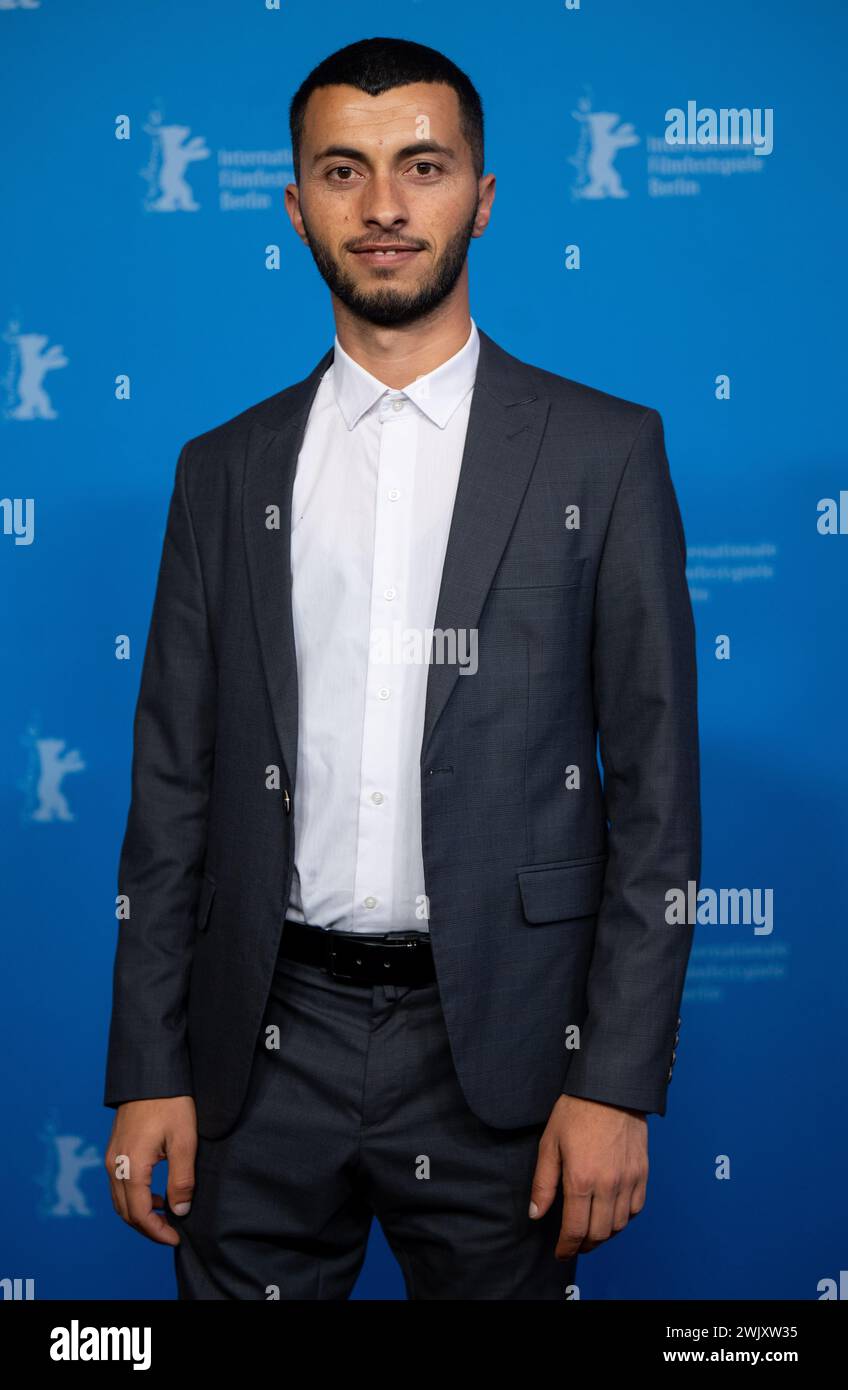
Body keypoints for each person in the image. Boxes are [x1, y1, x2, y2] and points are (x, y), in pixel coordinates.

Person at [103, 36, 700, 1301]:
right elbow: (172, 791)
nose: (382, 206)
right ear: (294, 206)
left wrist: (613, 1078)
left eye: (420, 167)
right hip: (261, 1046)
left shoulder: (604, 453)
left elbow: (655, 800)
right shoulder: (223, 470)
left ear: (480, 196)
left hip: (509, 1049)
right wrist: (146, 1063)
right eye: (342, 170)